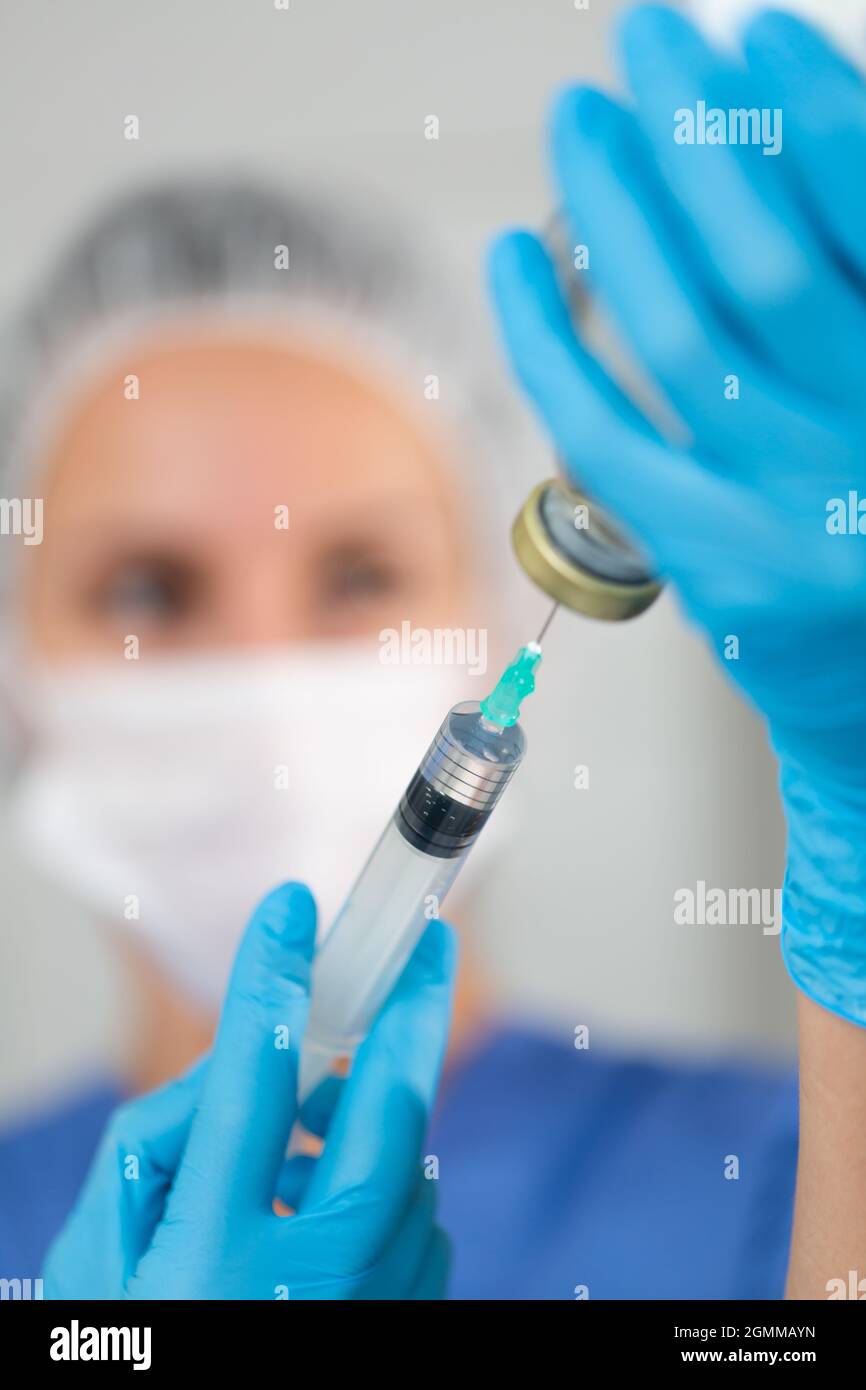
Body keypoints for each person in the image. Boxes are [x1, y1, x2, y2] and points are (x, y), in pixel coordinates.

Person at [2, 3, 863, 1299]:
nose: (265, 665)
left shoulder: (780, 1164)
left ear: (498, 624)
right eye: (149, 588)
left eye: (359, 573)